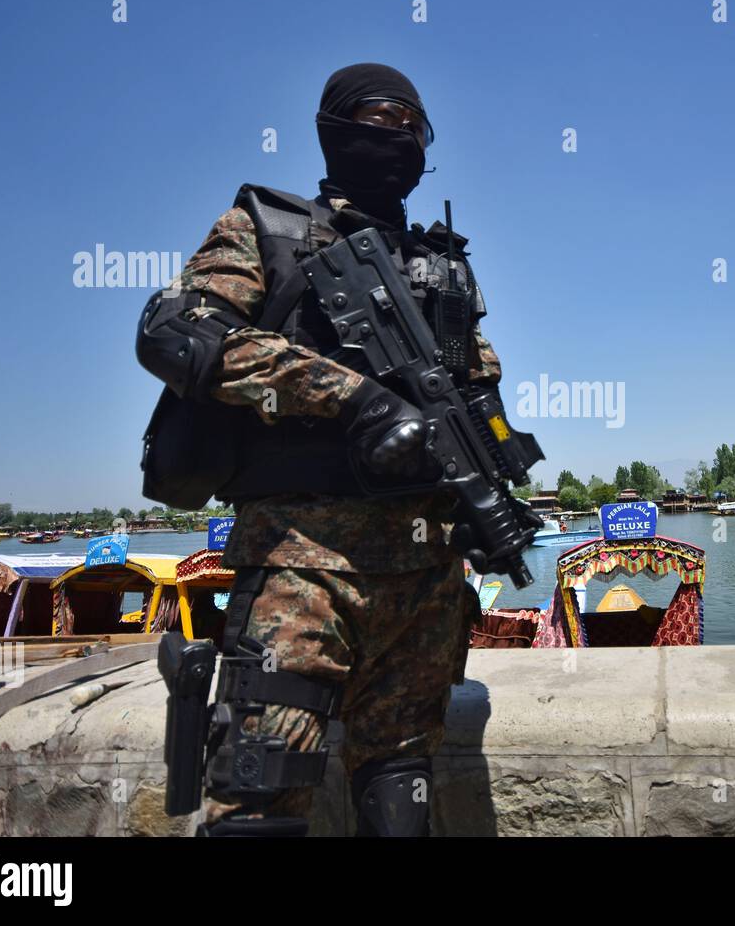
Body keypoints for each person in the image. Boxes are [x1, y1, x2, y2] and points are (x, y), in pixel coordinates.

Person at [137, 63, 509, 836]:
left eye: (415, 127)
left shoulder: (444, 264)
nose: (400, 139)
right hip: (301, 569)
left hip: (422, 585)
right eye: (381, 120)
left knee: (401, 789)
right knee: (259, 794)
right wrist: (355, 398)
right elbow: (176, 334)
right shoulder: (266, 230)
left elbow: (482, 398)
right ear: (335, 131)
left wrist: (495, 487)